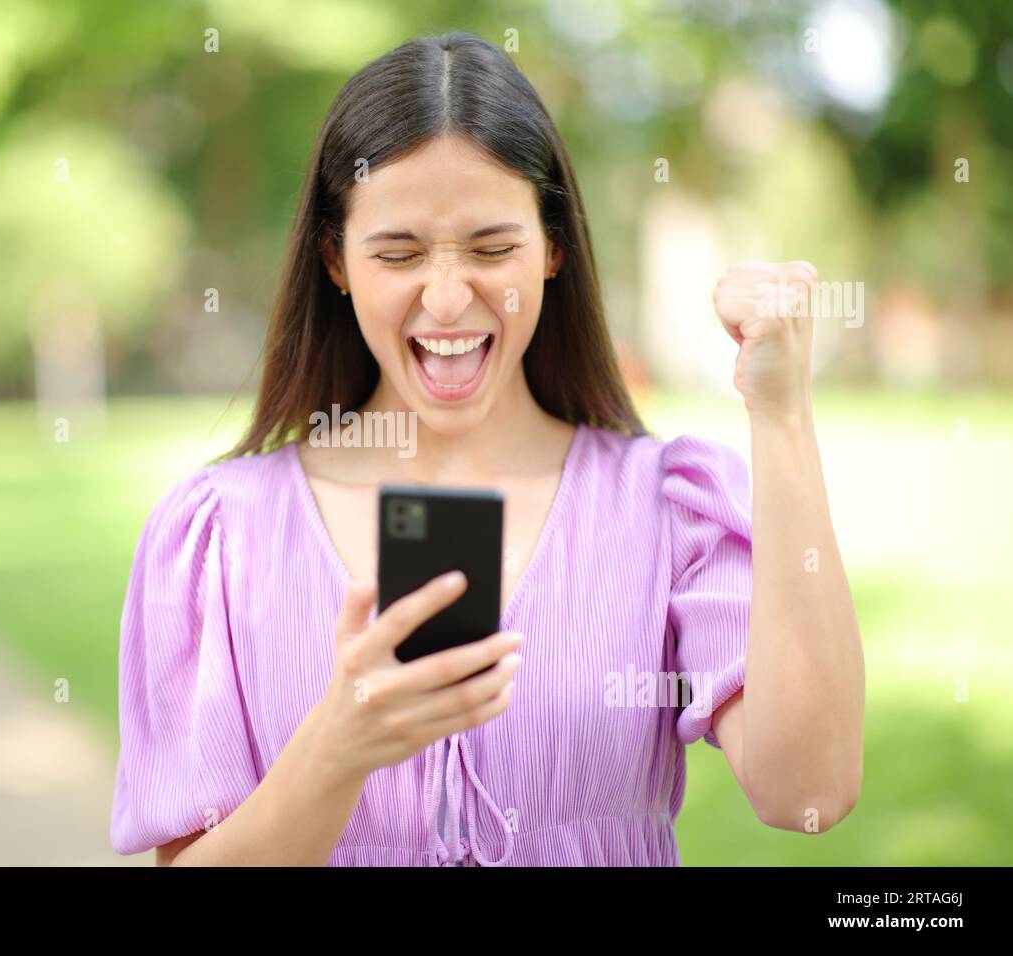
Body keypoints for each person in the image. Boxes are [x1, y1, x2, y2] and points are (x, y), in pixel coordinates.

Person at [110, 30, 864, 866]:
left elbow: (810, 792)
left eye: (492, 248)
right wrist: (340, 745)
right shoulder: (218, 537)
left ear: (554, 249)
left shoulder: (669, 508)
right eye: (397, 253)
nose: (445, 298)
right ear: (335, 260)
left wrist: (782, 413)